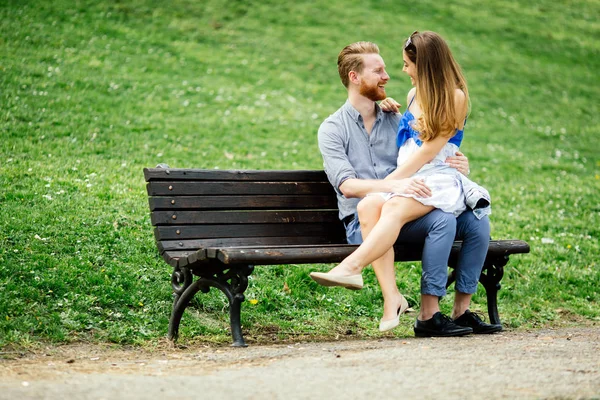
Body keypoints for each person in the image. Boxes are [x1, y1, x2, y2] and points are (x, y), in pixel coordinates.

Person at [311, 37, 501, 337]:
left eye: (401, 65)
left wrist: (458, 163)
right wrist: (393, 184)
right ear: (354, 76)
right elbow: (348, 186)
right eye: (379, 70)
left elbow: (430, 149)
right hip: (378, 210)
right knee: (383, 206)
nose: (392, 74)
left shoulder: (393, 114)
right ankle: (407, 304)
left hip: (408, 196)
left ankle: (456, 311)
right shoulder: (334, 128)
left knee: (477, 223)